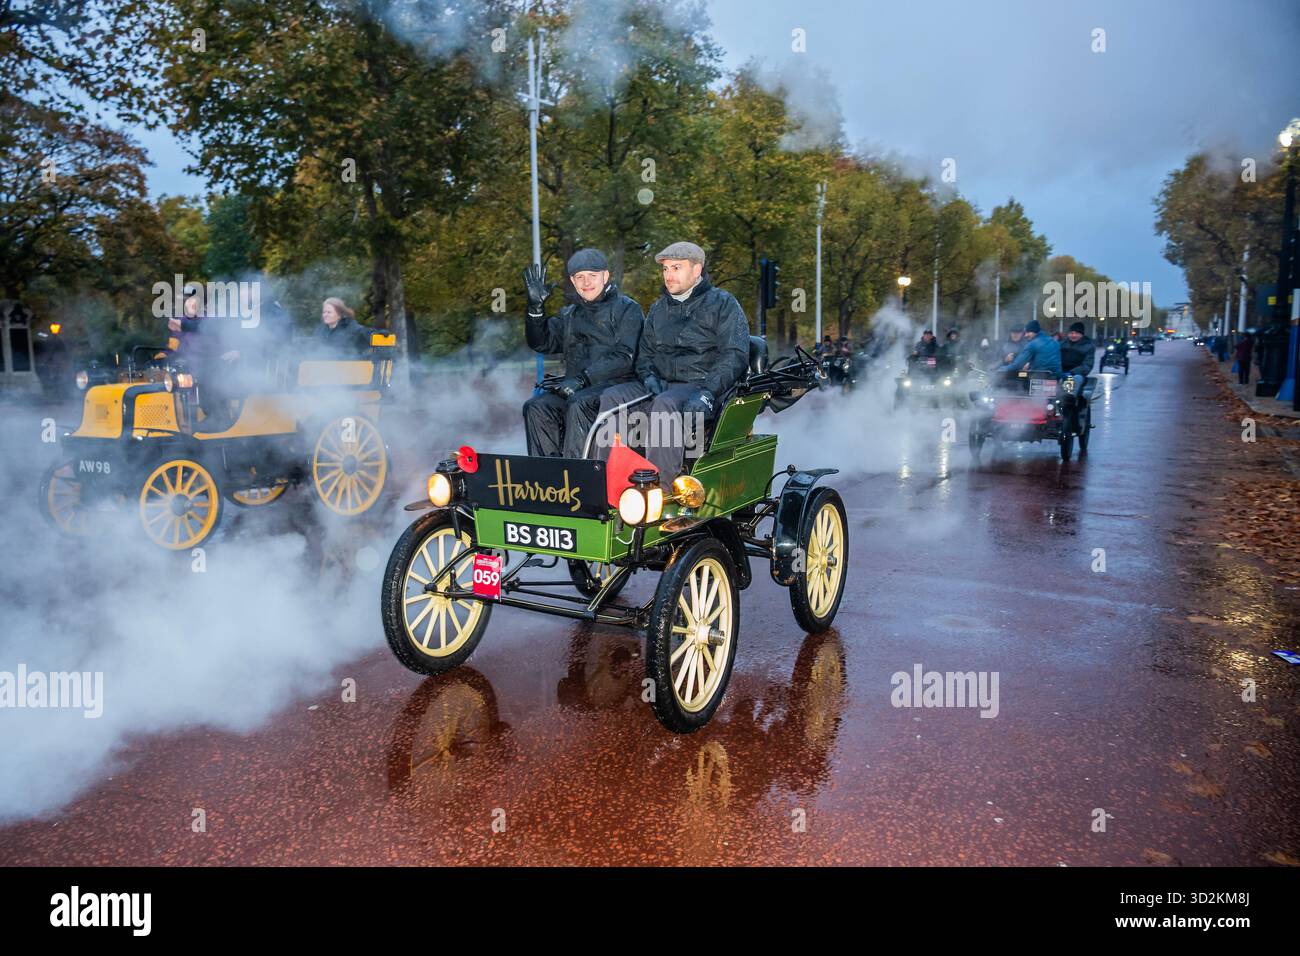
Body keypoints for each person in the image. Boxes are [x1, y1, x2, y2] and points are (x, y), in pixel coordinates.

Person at [594, 241, 749, 489]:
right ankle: (603, 482)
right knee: (612, 397)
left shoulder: (723, 303)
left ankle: (660, 491)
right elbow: (644, 355)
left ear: (696, 270)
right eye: (665, 269)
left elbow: (735, 354)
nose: (668, 275)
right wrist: (648, 377)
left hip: (700, 384)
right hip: (663, 383)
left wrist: (709, 391)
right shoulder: (658, 309)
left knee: (664, 404)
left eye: (676, 268)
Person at [521, 248, 644, 458]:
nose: (586, 282)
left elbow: (625, 357)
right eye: (580, 277)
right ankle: (548, 476)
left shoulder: (627, 308)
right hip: (576, 387)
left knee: (579, 404)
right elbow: (541, 342)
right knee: (535, 406)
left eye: (592, 276)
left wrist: (582, 379)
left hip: (617, 385)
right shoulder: (569, 314)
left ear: (605, 276)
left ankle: (576, 478)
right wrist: (535, 309)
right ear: (573, 281)